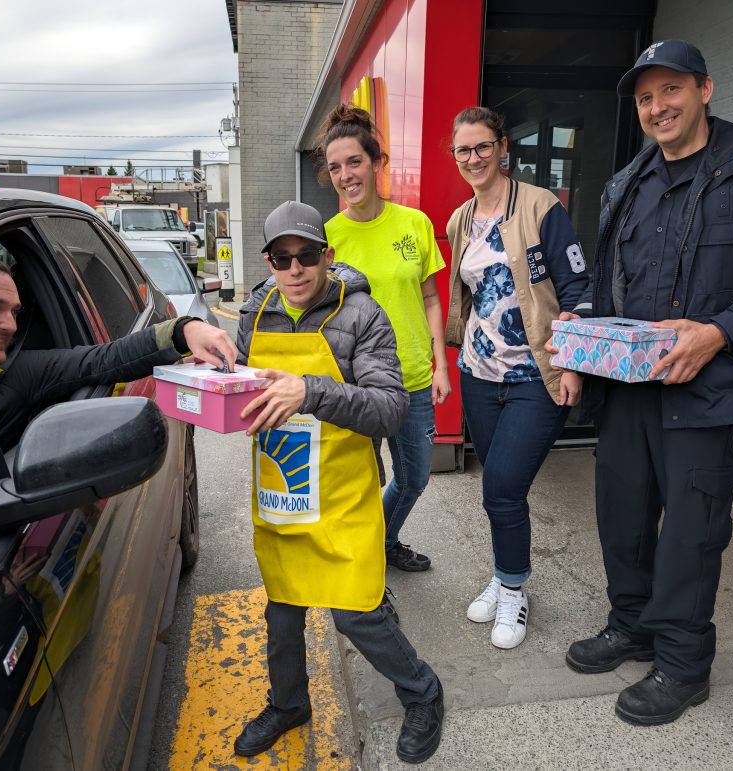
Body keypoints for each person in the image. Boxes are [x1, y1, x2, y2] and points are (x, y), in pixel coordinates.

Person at [553, 40, 733, 725]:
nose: (658, 107)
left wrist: (719, 332)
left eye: (671, 90)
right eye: (645, 97)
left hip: (703, 390)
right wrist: (578, 341)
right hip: (627, 384)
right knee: (622, 514)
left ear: (705, 89)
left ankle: (683, 664)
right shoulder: (627, 183)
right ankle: (632, 625)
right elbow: (608, 286)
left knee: (691, 529)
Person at [232, 201, 444, 764]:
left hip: (343, 492)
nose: (295, 269)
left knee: (356, 613)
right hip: (282, 490)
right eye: (282, 258)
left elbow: (390, 408)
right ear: (269, 262)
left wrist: (310, 391)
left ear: (327, 255)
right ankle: (288, 703)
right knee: (283, 609)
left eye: (306, 255)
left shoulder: (363, 313)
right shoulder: (256, 312)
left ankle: (423, 691)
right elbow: (237, 385)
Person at [444, 107, 588, 650]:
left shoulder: (540, 206)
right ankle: (506, 573)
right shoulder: (460, 220)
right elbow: (468, 295)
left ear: (503, 147)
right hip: (478, 376)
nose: (474, 158)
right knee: (497, 490)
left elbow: (577, 288)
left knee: (503, 484)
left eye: (483, 146)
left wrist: (571, 361)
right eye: (463, 150)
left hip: (536, 376)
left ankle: (512, 589)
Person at [318, 104, 450, 576]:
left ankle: (382, 541)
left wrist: (441, 365)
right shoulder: (328, 238)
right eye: (335, 167)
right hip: (356, 387)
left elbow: (430, 298)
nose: (345, 176)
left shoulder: (414, 224)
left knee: (415, 477)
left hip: (413, 376)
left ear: (376, 162)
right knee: (360, 485)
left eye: (354, 162)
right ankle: (366, 568)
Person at [0, 251, 236, 449]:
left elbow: (104, 359)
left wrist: (184, 330)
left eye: (14, 312)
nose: (10, 325)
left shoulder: (23, 372)